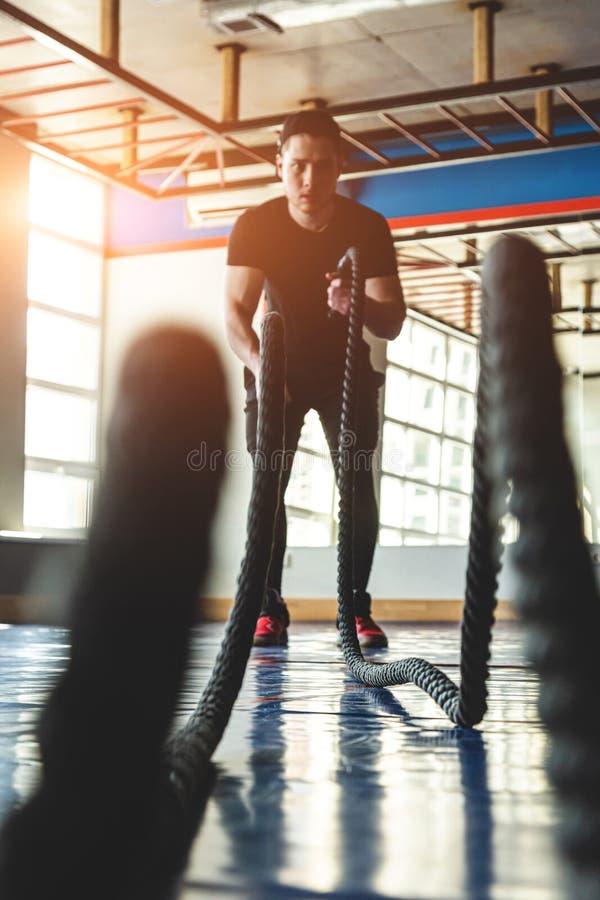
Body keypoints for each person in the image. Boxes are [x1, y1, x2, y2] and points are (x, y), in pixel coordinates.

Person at [225, 108, 405, 648]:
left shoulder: (367, 228)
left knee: (356, 489)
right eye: (298, 165)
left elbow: (391, 320)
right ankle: (267, 606)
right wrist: (264, 367)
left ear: (339, 168)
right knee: (268, 488)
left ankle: (355, 609)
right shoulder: (256, 225)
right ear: (279, 165)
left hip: (344, 372)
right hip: (274, 364)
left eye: (321, 167)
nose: (309, 179)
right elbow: (234, 315)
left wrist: (356, 306)